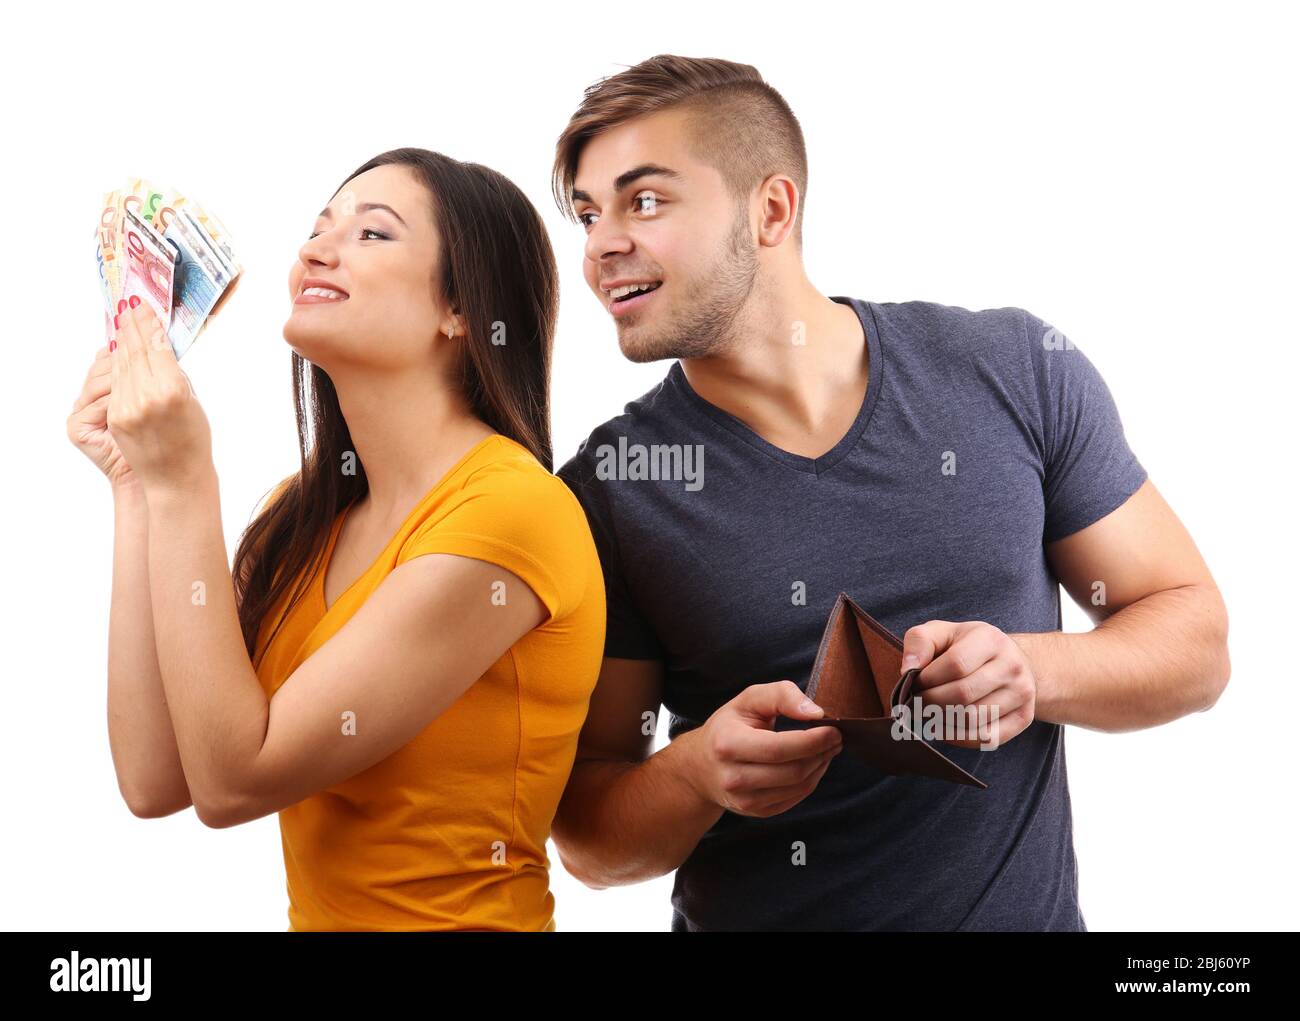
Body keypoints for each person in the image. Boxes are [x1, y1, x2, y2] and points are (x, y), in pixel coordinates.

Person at [548, 55, 1231, 931]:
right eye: (588, 212)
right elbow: (590, 840)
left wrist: (1032, 669)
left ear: (771, 208)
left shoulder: (1012, 368)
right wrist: (694, 773)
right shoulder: (610, 490)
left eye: (643, 201)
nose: (602, 243)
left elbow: (1196, 640)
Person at [65, 147, 606, 932]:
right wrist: (139, 485)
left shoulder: (514, 512)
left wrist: (186, 483)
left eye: (372, 235)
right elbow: (158, 777)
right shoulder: (300, 518)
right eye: (319, 229)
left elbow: (233, 782)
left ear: (461, 309)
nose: (316, 249)